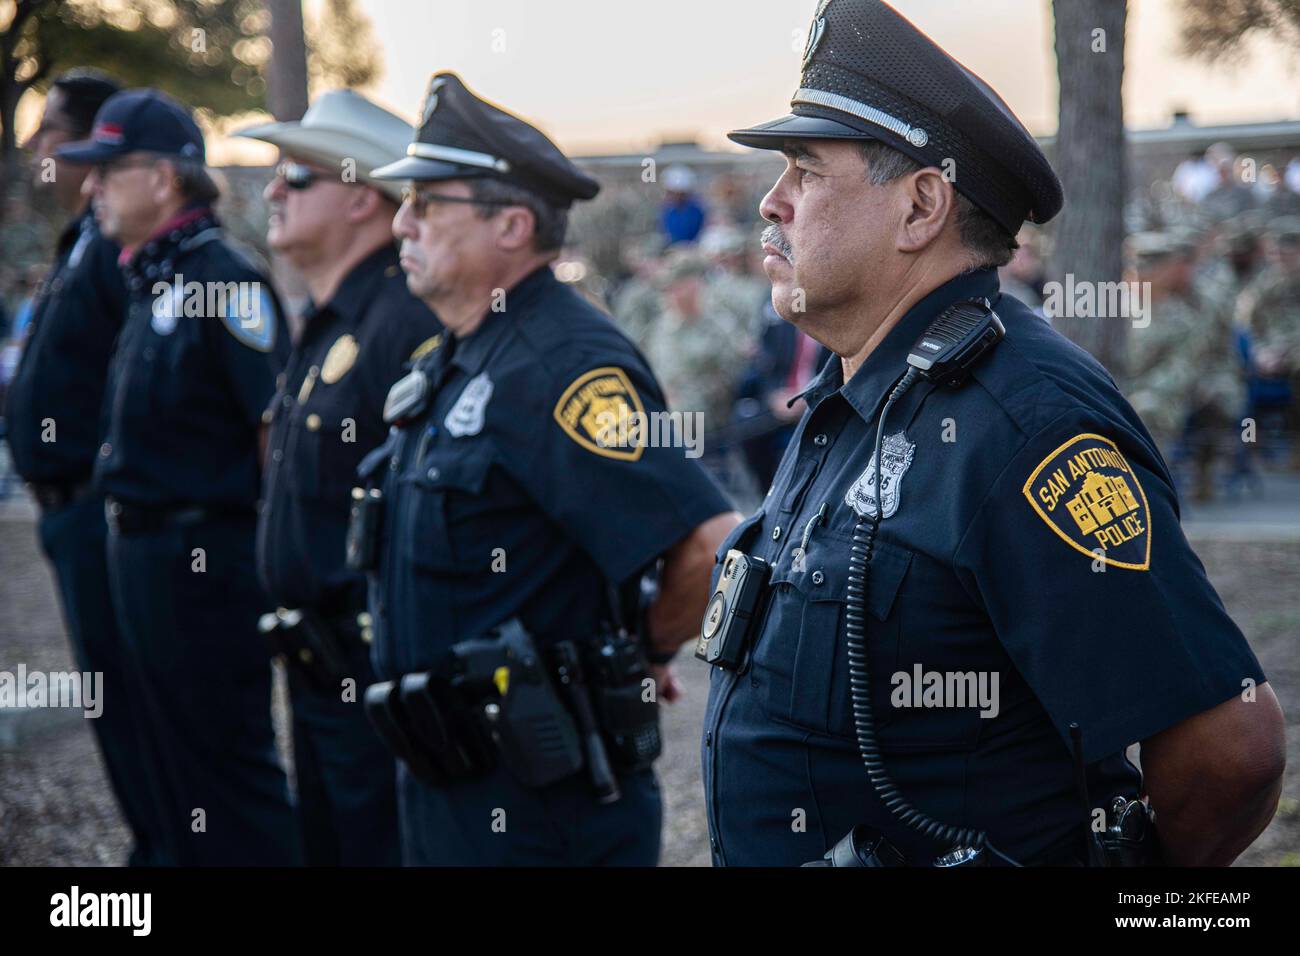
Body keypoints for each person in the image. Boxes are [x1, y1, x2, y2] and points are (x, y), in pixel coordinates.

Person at [701, 0, 1284, 868]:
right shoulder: (858, 393)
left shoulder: (1022, 420)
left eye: (806, 171)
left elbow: (1229, 750)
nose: (773, 203)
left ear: (921, 206)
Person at [364, 72, 738, 865]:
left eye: (428, 203)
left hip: (538, 804)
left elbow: (709, 547)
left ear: (511, 224)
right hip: (446, 779)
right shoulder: (454, 359)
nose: (402, 222)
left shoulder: (562, 362)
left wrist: (644, 655)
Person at [58, 88, 298, 865]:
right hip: (142, 557)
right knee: (168, 766)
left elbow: (275, 436)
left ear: (163, 178)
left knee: (225, 767)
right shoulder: (151, 276)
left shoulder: (224, 278)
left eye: (108, 169)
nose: (89, 186)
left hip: (203, 564)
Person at [235, 90, 444, 866]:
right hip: (318, 671)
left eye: (296, 174)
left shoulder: (402, 320)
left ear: (363, 198)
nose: (272, 190)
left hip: (372, 674)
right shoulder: (333, 322)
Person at [3, 70, 170, 865]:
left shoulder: (113, 250)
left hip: (98, 506)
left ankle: (164, 851)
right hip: (68, 506)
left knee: (135, 703)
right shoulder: (85, 241)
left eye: (56, 133)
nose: (44, 149)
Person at [1125, 231, 1244, 500]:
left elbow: (1181, 368)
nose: (1143, 274)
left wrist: (1135, 392)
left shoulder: (1187, 313)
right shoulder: (1115, 306)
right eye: (1138, 267)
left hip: (1165, 392)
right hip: (1125, 385)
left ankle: (1149, 492)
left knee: (1147, 406)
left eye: (1153, 268)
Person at [659, 164, 706, 246]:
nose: (675, 197)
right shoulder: (666, 210)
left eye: (679, 194)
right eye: (671, 193)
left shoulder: (696, 211)